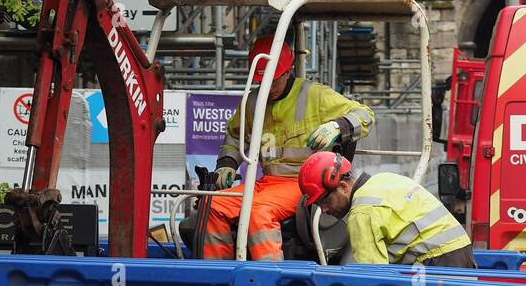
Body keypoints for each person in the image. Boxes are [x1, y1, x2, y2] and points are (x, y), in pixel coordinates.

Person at [204, 35, 376, 261]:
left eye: (274, 80)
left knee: (259, 210)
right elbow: (235, 137)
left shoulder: (314, 95)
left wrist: (337, 126)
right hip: (267, 183)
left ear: (287, 72)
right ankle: (220, 275)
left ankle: (269, 280)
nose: (269, 87)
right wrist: (227, 164)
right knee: (212, 205)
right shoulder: (254, 102)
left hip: (302, 183)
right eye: (262, 80)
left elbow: (365, 115)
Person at [297, 152, 477, 269]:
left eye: (325, 200)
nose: (324, 209)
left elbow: (372, 275)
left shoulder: (362, 211)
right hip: (461, 252)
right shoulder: (384, 180)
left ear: (343, 186)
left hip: (437, 262)